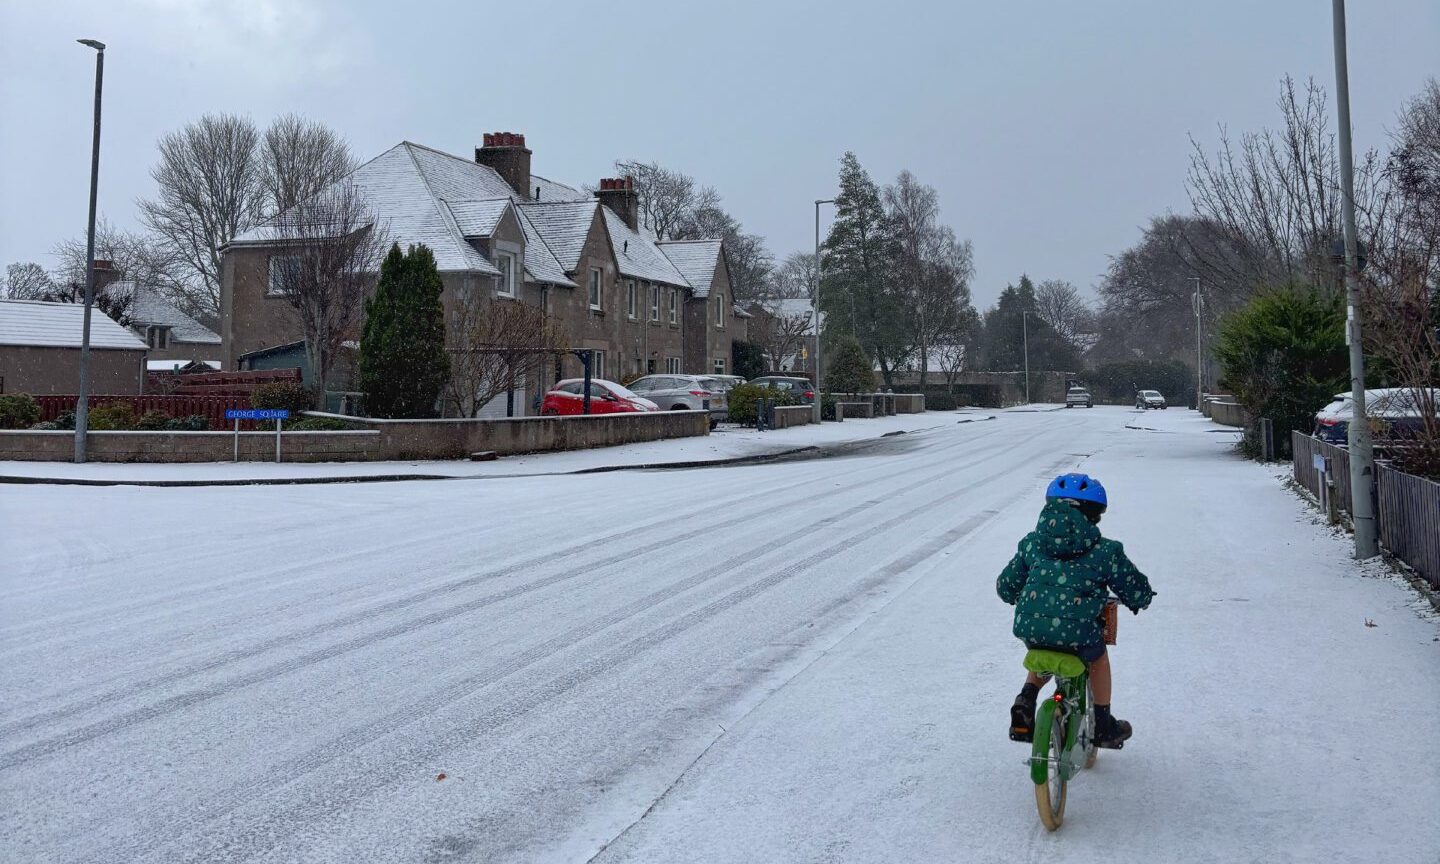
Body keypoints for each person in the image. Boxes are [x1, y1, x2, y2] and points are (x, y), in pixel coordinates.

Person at [996, 473, 1156, 748]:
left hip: (1033, 630)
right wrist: (1141, 598)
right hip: (1079, 634)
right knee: (1097, 659)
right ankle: (1103, 726)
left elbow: (1005, 587)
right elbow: (1134, 587)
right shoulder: (1105, 551)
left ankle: (1026, 697)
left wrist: (1019, 594)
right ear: (1094, 515)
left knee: (1045, 648)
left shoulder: (1032, 543)